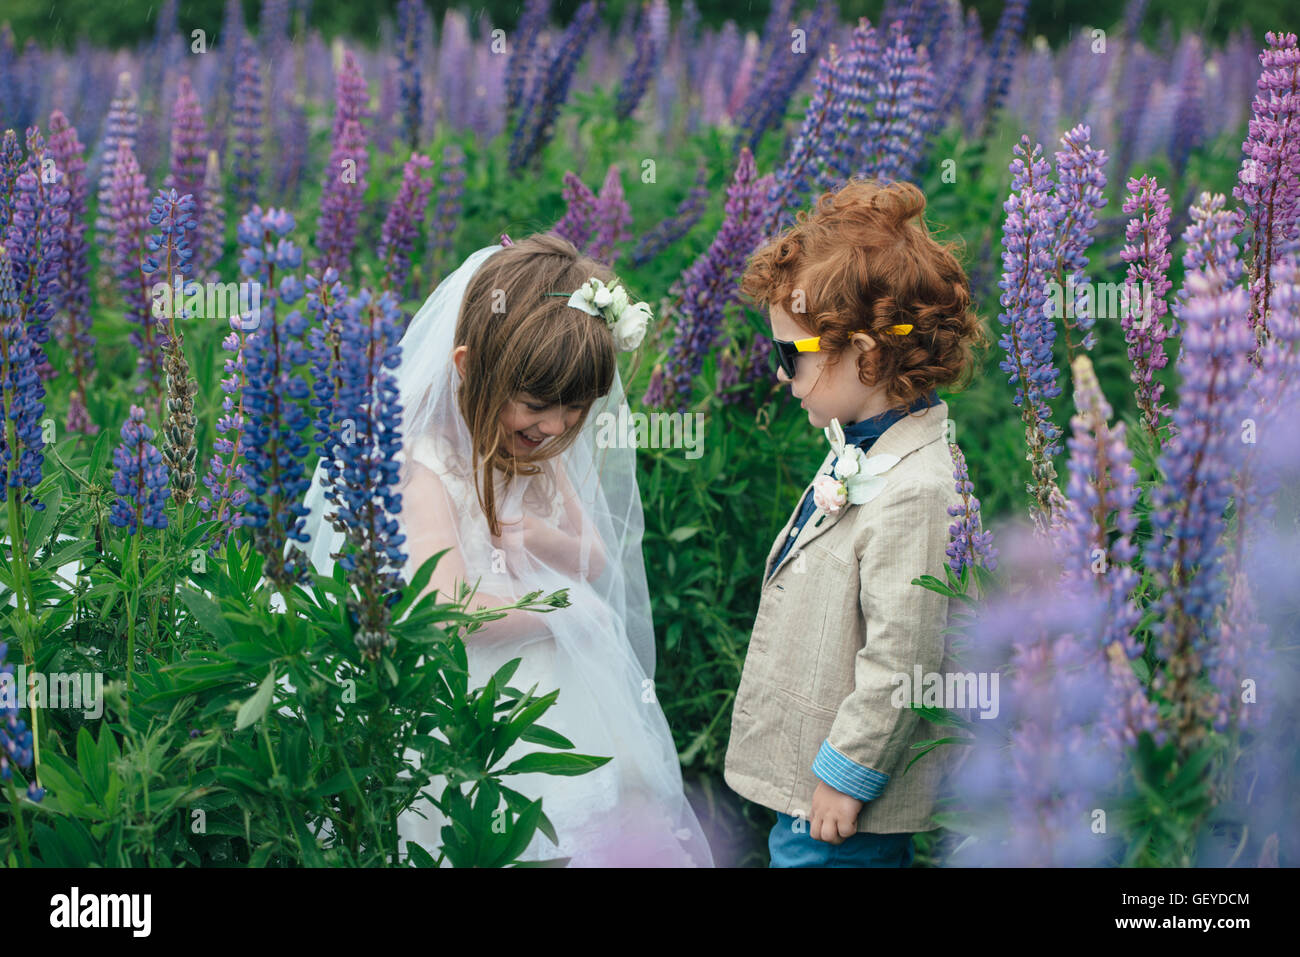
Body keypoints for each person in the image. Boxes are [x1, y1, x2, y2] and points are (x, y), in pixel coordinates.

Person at [300, 233, 712, 867]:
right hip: (463, 706)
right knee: (471, 836)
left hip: (555, 699)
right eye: (538, 405)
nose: (555, 428)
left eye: (576, 411)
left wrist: (537, 536)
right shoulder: (424, 469)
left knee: (583, 831)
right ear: (466, 368)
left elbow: (594, 559)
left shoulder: (537, 457)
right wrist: (561, 614)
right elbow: (447, 608)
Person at [725, 179, 988, 867]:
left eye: (793, 354)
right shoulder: (865, 446)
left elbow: (906, 655)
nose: (781, 376)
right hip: (813, 778)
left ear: (867, 355)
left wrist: (847, 773)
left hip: (848, 802)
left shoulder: (917, 488)